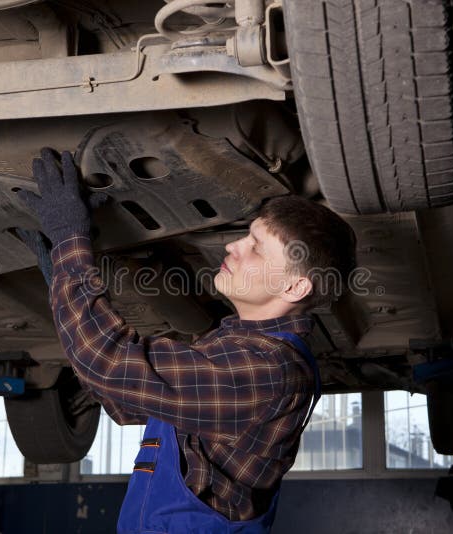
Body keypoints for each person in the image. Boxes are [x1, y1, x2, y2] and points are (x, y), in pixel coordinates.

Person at [18, 148, 357, 534]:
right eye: (246, 236)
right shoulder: (234, 344)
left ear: (295, 285)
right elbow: (123, 400)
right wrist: (62, 284)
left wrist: (70, 242)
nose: (233, 247)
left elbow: (109, 367)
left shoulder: (269, 373)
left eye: (256, 248)